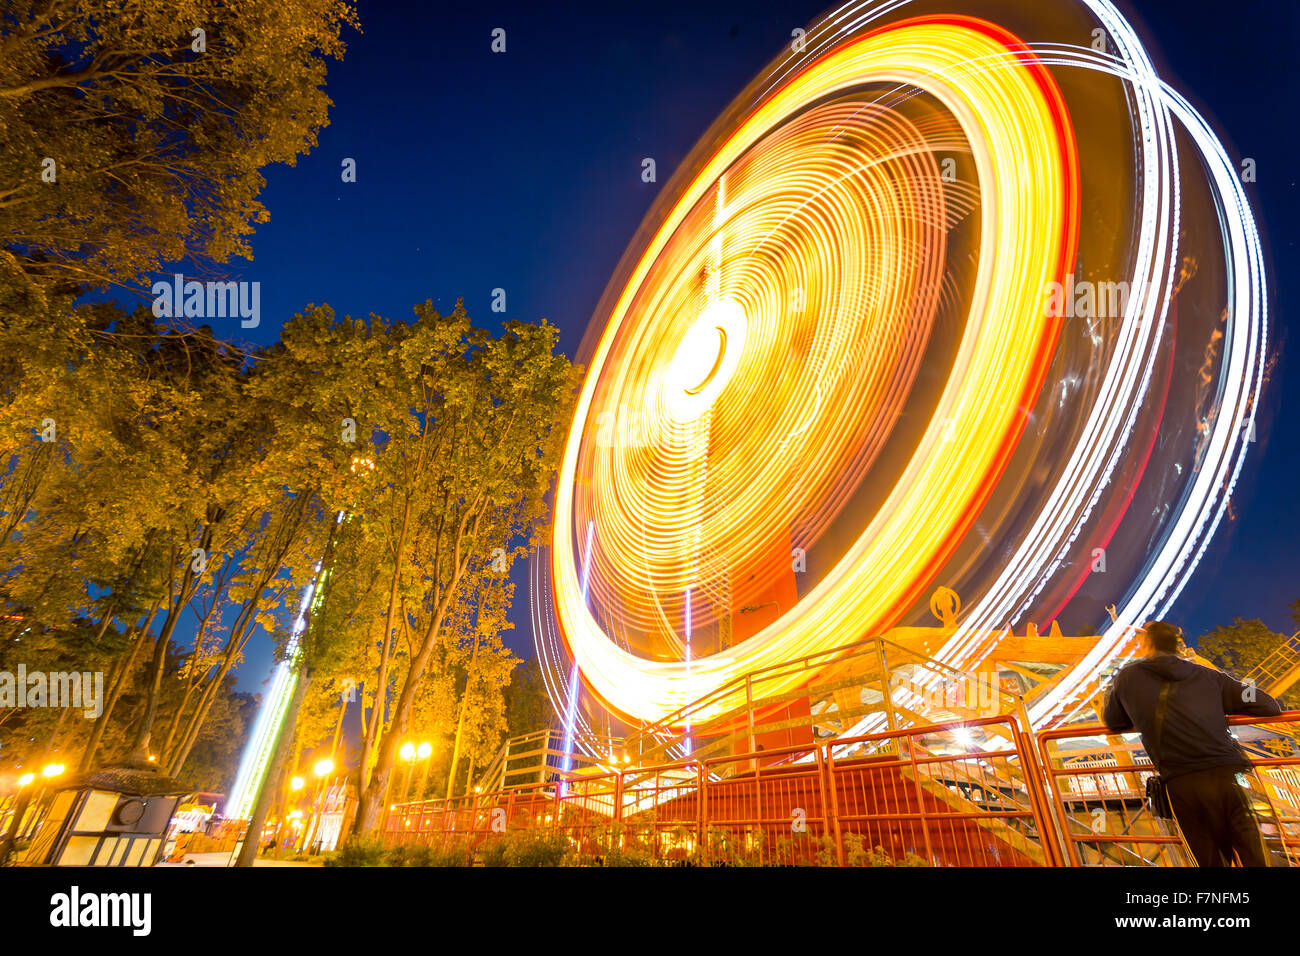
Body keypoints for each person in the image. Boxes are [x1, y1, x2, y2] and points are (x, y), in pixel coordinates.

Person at [1103, 620, 1282, 866]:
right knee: (1256, 854)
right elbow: (1268, 705)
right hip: (1229, 777)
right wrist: (1235, 689)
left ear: (1146, 643)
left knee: (1207, 859)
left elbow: (1114, 722)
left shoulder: (1127, 678)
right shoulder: (1208, 675)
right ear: (1177, 646)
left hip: (1182, 782)